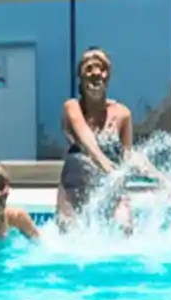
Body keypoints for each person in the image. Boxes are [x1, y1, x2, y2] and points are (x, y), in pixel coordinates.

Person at [55, 47, 133, 231]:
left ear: (108, 76)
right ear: (80, 78)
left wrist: (158, 178)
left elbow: (128, 156)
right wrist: (105, 164)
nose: (95, 73)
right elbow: (84, 137)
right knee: (68, 230)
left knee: (124, 227)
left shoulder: (123, 114)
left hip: (109, 184)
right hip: (75, 185)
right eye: (88, 69)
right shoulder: (72, 107)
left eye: (101, 68)